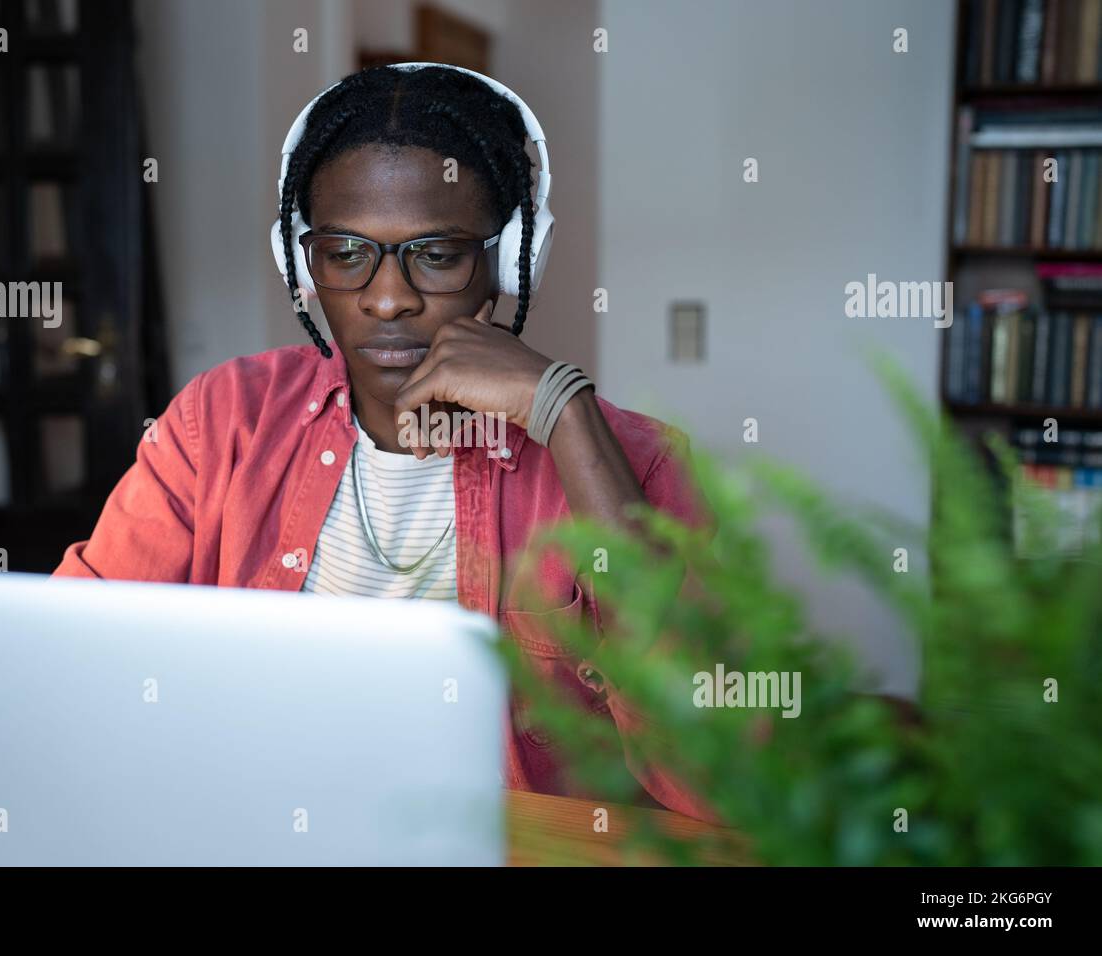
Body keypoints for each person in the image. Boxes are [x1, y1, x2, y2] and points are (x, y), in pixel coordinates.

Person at [53, 63, 716, 821]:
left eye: (436, 254)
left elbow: (717, 778)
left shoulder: (633, 459)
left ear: (508, 261)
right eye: (345, 252)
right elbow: (78, 666)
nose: (389, 296)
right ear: (301, 262)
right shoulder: (223, 421)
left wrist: (564, 413)